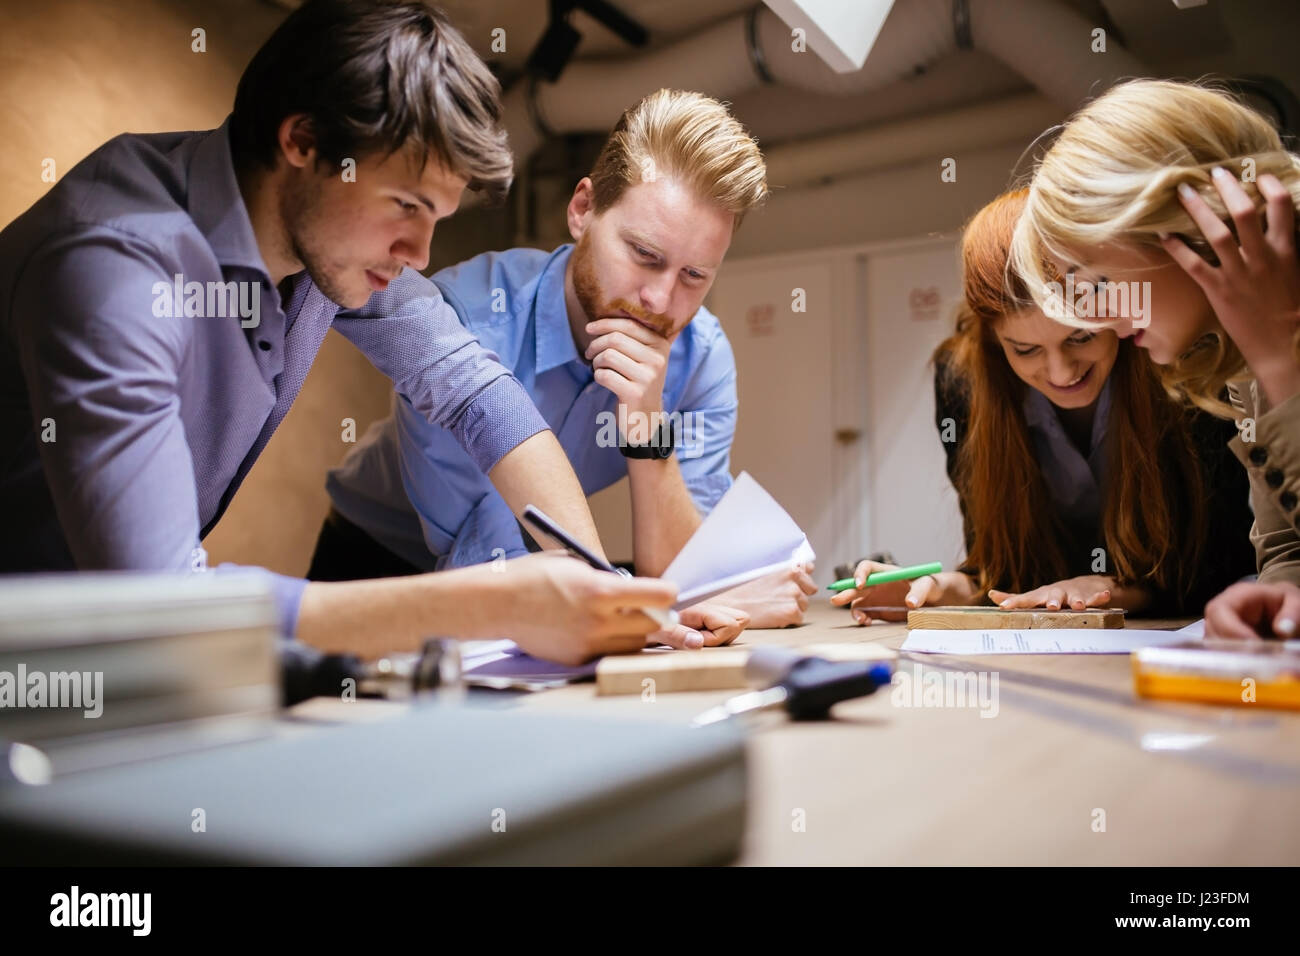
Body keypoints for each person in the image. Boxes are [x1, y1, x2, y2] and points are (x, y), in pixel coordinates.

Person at [0, 0, 677, 665]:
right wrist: (487, 605)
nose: (418, 253)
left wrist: (596, 589)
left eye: (435, 217)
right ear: (303, 142)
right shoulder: (112, 271)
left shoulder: (327, 248)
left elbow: (476, 394)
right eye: (406, 206)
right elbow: (161, 602)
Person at [312, 89, 817, 640]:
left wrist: (647, 428)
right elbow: (481, 559)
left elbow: (682, 574)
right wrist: (641, 608)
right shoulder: (470, 318)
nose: (660, 300)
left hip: (548, 573)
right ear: (582, 211)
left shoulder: (701, 356)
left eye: (694, 276)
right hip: (375, 558)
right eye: (645, 256)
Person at [833, 188, 1255, 623]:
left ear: (1113, 309)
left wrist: (1118, 589)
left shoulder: (1176, 357)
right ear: (994, 340)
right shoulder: (963, 381)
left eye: (1081, 337)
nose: (1060, 372)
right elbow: (1000, 569)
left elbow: (1227, 559)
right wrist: (941, 589)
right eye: (1025, 349)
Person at [1007, 78, 1300, 639]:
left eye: (1093, 280)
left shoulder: (1263, 349)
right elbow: (1289, 545)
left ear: (1193, 220)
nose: (1099, 317)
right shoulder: (1239, 363)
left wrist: (1280, 362)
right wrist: (1282, 588)